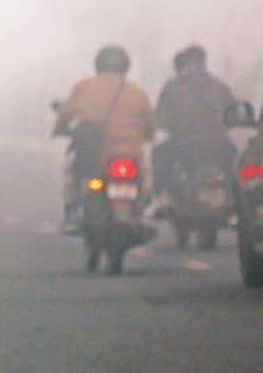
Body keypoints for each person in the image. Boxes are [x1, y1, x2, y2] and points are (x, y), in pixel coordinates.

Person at [52, 45, 156, 233]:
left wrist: (59, 130)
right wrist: (146, 135)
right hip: (130, 156)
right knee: (144, 174)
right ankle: (140, 212)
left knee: (71, 169)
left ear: (98, 65)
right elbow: (150, 128)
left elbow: (66, 113)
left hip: (94, 156)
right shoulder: (137, 92)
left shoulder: (84, 87)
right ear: (125, 67)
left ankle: (71, 212)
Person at [152, 44, 237, 211]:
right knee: (234, 167)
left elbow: (160, 117)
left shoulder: (173, 86)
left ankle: (163, 197)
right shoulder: (218, 85)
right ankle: (237, 201)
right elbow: (233, 112)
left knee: (158, 154)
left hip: (183, 144)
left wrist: (171, 126)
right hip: (217, 144)